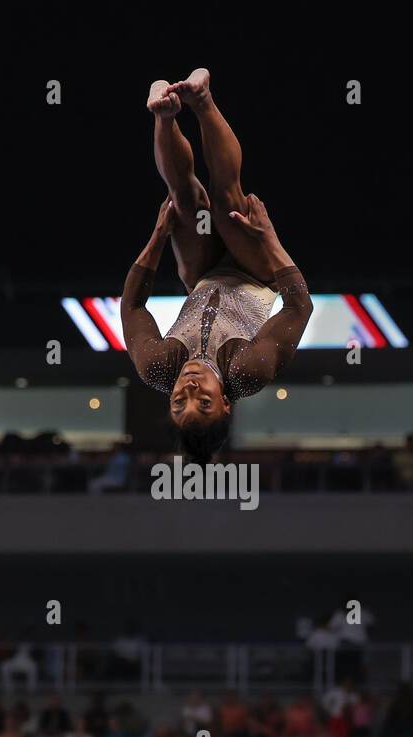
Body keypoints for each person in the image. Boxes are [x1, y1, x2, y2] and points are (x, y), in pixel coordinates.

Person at [122, 69, 313, 465]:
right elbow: (299, 308)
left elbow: (133, 307)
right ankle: (202, 99)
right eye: (202, 399)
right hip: (255, 272)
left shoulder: (157, 367)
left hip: (202, 275)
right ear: (225, 404)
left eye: (179, 401)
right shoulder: (248, 371)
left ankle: (165, 113)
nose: (189, 387)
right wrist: (269, 238)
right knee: (227, 206)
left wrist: (157, 239)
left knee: (184, 202)